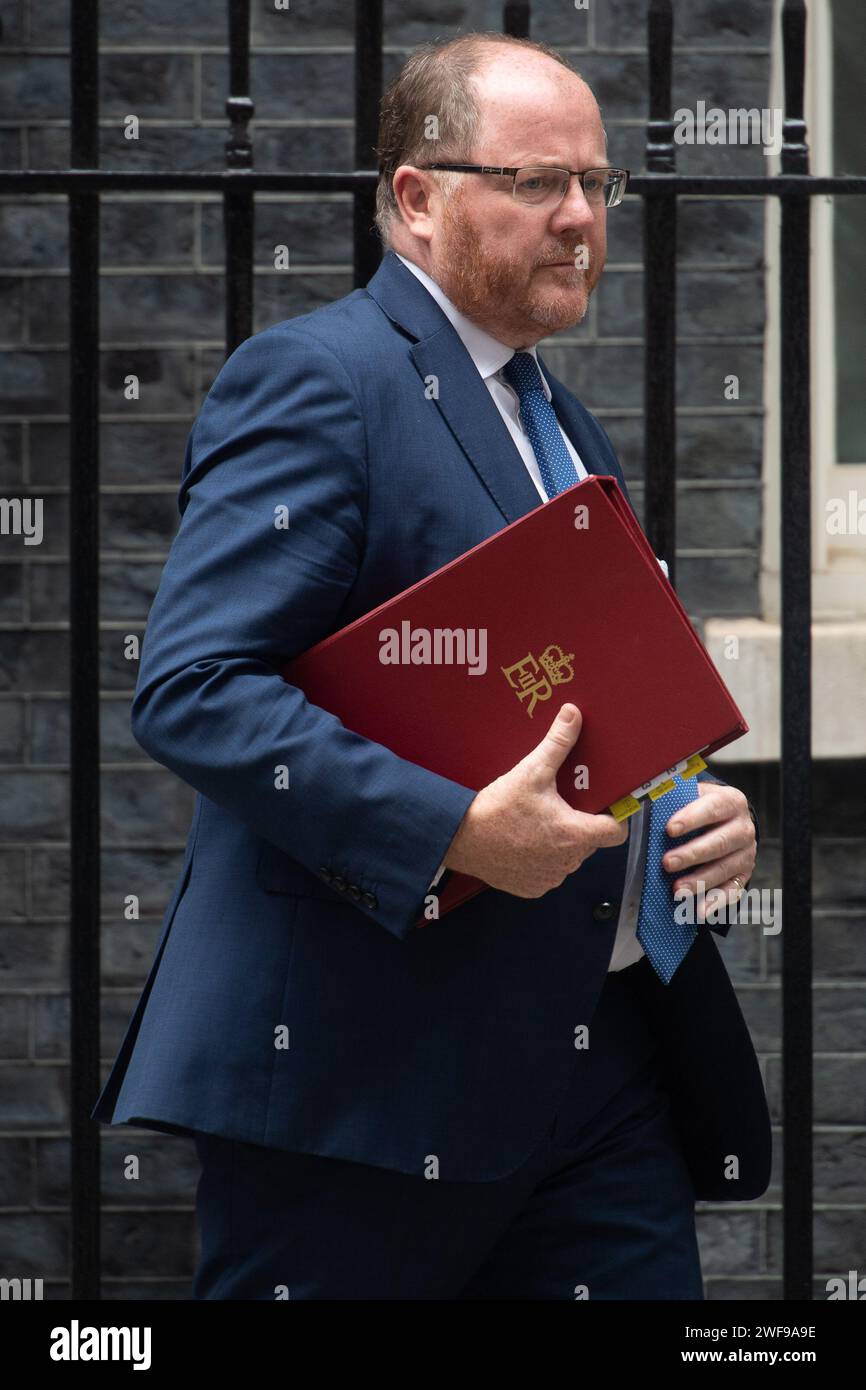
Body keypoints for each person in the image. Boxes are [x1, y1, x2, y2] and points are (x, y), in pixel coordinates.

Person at [92, 32, 771, 1300]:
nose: (577, 218)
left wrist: (687, 810)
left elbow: (568, 698)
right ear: (415, 198)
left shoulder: (561, 419)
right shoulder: (317, 380)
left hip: (598, 1070)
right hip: (366, 1081)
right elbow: (191, 685)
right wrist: (453, 829)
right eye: (533, 183)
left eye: (595, 186)